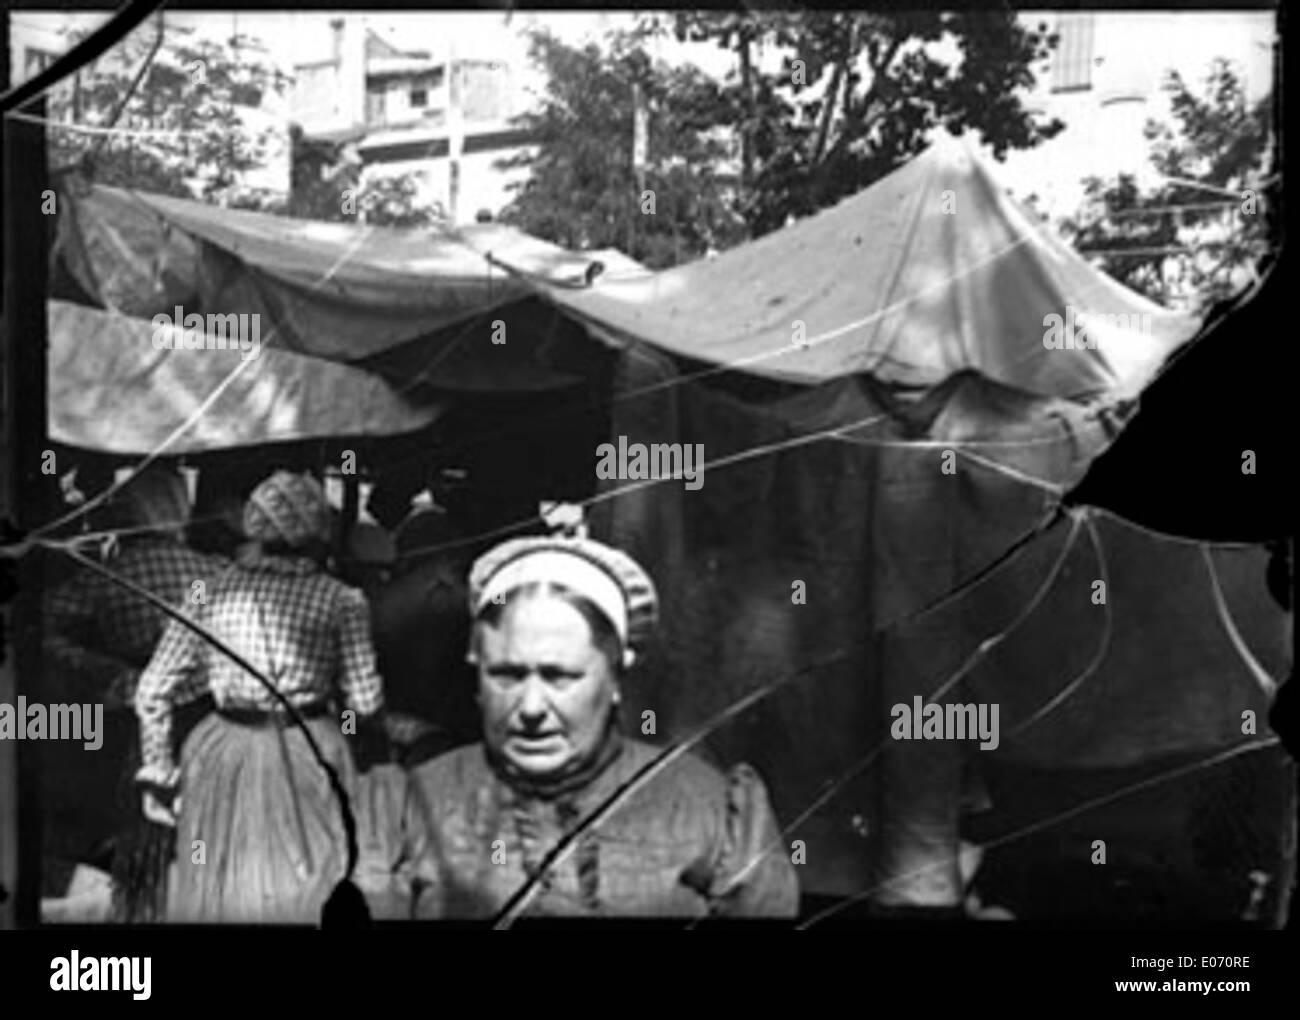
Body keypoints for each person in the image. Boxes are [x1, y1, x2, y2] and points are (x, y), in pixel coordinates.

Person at [364, 535, 800, 919]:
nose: (531, 707)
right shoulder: (407, 808)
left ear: (614, 678)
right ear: (475, 677)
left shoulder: (714, 813)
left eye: (560, 677)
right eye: (507, 675)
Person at [133, 470, 388, 923]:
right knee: (309, 878)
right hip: (309, 746)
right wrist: (368, 744)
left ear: (253, 528)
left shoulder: (208, 592)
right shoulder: (342, 600)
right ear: (316, 534)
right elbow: (364, 702)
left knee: (218, 874)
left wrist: (160, 769)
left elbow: (153, 690)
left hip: (221, 749)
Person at [42, 465, 226, 917]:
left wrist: (104, 670)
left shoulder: (106, 577)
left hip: (139, 714)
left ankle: (141, 906)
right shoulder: (214, 572)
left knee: (145, 822)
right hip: (208, 715)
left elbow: (42, 627)